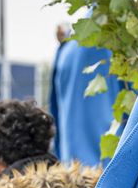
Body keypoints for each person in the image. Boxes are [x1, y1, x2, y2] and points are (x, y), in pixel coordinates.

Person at [47, 24, 123, 167]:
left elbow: (55, 118)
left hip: (72, 170)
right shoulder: (124, 45)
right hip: (115, 171)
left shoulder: (67, 50)